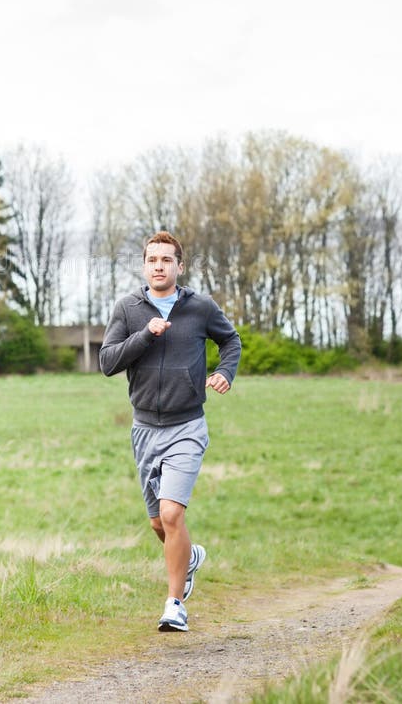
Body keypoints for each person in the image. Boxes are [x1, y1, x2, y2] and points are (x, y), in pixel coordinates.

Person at [99, 231, 241, 632]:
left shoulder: (200, 308)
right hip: (144, 428)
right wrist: (146, 335)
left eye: (167, 260)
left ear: (179, 266)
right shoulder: (128, 309)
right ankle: (190, 557)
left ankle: (174, 604)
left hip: (187, 425)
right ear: (144, 266)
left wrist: (224, 372)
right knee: (159, 525)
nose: (159, 266)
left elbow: (231, 341)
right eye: (152, 260)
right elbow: (107, 361)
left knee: (172, 512)